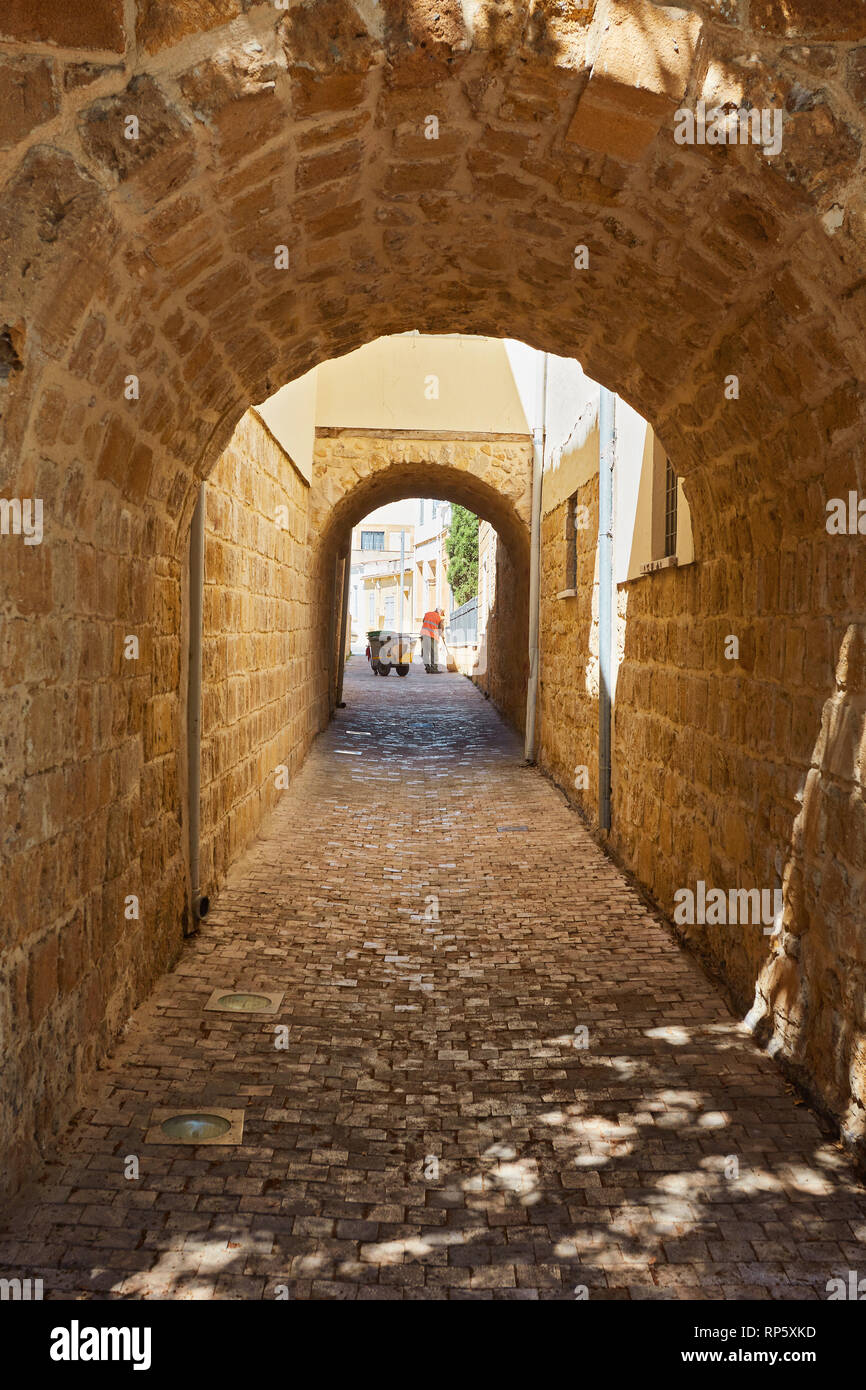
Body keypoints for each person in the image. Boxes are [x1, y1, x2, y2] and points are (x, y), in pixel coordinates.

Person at [421, 607, 446, 673]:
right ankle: (434, 669)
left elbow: (424, 622)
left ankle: (427, 668)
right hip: (432, 636)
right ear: (440, 612)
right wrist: (442, 636)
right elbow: (440, 628)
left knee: (425, 653)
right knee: (434, 653)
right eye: (442, 614)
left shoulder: (427, 614)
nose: (441, 616)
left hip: (424, 634)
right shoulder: (439, 617)